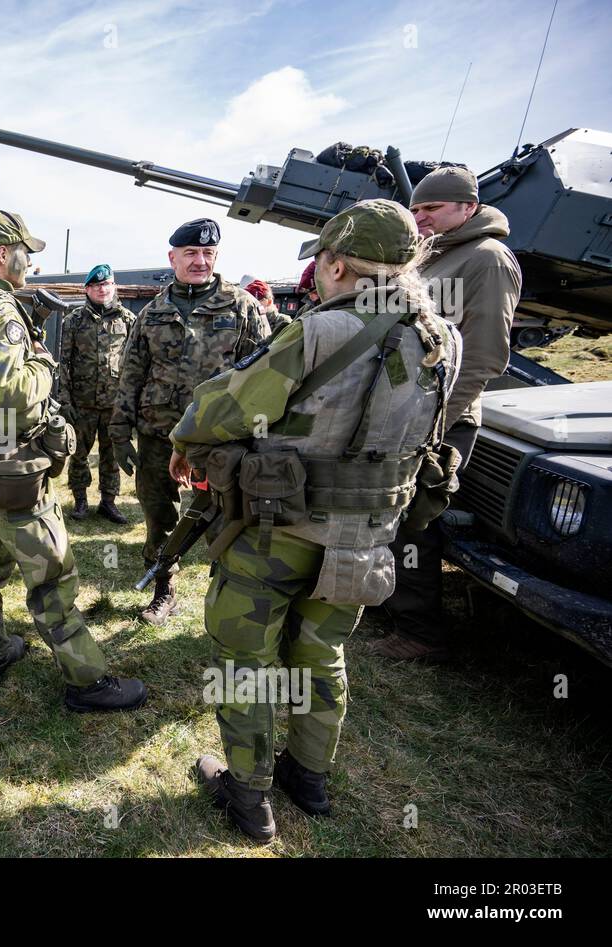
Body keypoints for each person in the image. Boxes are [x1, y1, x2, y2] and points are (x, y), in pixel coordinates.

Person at [170, 199, 462, 842]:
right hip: (365, 539)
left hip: (281, 531)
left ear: (334, 263)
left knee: (245, 661)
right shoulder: (443, 339)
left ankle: (248, 798)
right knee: (320, 653)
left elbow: (216, 414)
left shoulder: (317, 331)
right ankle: (308, 777)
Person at [0, 210, 146, 713]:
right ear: (3, 254)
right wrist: (43, 361)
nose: (29, 263)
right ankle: (86, 680)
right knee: (52, 577)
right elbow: (10, 397)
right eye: (26, 253)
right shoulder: (0, 313)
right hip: (11, 470)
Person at [375, 166, 521, 663]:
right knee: (388, 514)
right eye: (416, 210)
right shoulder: (430, 258)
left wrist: (432, 424)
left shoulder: (488, 259)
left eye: (431, 209)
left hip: (442, 420)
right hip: (403, 412)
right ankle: (387, 602)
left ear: (468, 207)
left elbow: (484, 356)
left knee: (417, 518)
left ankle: (420, 632)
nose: (420, 218)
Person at [110, 218, 271, 625]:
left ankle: (227, 594)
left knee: (225, 516)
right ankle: (163, 589)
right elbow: (132, 372)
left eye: (208, 254)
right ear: (173, 258)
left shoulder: (241, 306)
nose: (200, 261)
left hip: (220, 438)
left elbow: (266, 374)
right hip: (158, 433)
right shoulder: (153, 312)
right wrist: (118, 429)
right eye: (191, 254)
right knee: (158, 512)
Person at [60, 263, 134, 524]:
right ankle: (80, 500)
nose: (103, 289)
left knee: (111, 454)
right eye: (97, 285)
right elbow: (64, 363)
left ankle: (109, 502)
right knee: (79, 453)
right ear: (87, 289)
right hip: (82, 402)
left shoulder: (127, 320)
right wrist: (65, 400)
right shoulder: (74, 321)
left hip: (114, 403)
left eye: (107, 284)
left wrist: (129, 403)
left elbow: (133, 365)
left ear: (114, 286)